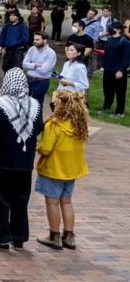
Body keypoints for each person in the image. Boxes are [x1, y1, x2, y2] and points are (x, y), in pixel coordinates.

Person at [0, 69, 42, 251]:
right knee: (21, 200)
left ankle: (0, 238)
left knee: (0, 199)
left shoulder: (1, 104)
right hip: (25, 162)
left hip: (0, 159)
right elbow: (39, 128)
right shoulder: (35, 105)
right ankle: (19, 238)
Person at [35, 90, 89, 250]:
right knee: (66, 201)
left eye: (54, 102)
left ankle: (54, 236)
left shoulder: (53, 125)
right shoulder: (79, 124)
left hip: (53, 169)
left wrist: (37, 146)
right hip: (71, 170)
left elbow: (45, 149)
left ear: (60, 105)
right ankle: (69, 235)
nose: (52, 105)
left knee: (52, 203)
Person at [100, 21, 130, 117]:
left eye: (112, 27)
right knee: (107, 90)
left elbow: (126, 58)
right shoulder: (109, 40)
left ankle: (119, 112)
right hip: (108, 69)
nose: (110, 29)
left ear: (118, 29)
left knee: (120, 92)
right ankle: (106, 107)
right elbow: (105, 54)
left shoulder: (125, 42)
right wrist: (103, 66)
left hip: (119, 71)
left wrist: (121, 70)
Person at [22, 31, 57, 108]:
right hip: (28, 80)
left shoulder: (51, 53)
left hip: (41, 82)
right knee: (24, 104)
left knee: (37, 106)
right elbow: (24, 64)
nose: (35, 41)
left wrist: (31, 65)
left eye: (37, 40)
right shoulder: (32, 49)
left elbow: (44, 70)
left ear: (45, 41)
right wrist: (35, 65)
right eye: (34, 39)